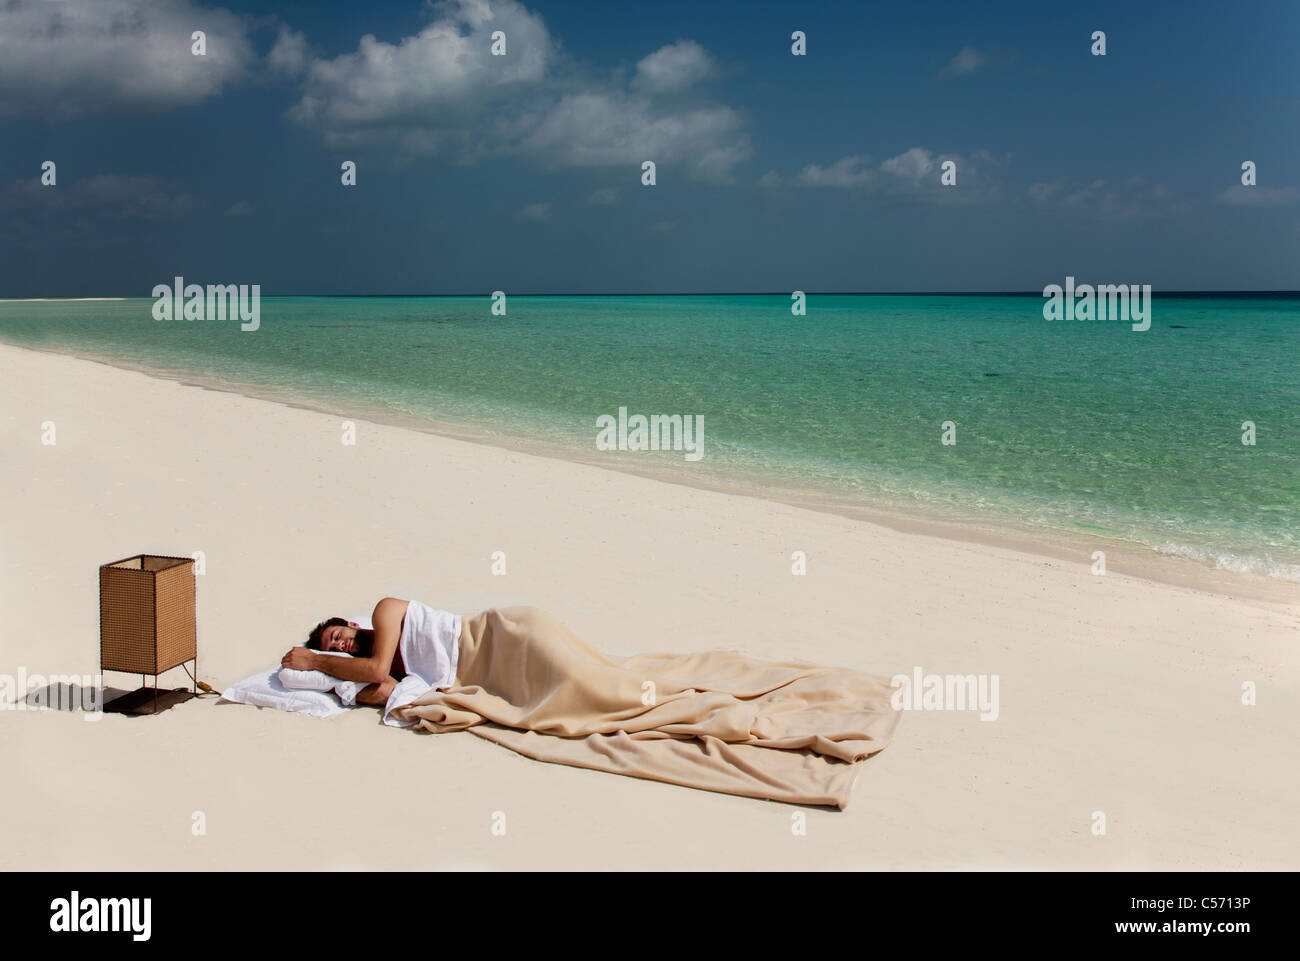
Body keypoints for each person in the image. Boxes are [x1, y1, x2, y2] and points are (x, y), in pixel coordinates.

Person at [282, 596, 460, 710]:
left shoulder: (386, 610)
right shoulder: (383, 670)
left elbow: (377, 670)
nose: (340, 645)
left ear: (352, 624)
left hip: (470, 639)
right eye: (334, 650)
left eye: (337, 636)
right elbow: (388, 691)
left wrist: (314, 660)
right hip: (467, 676)